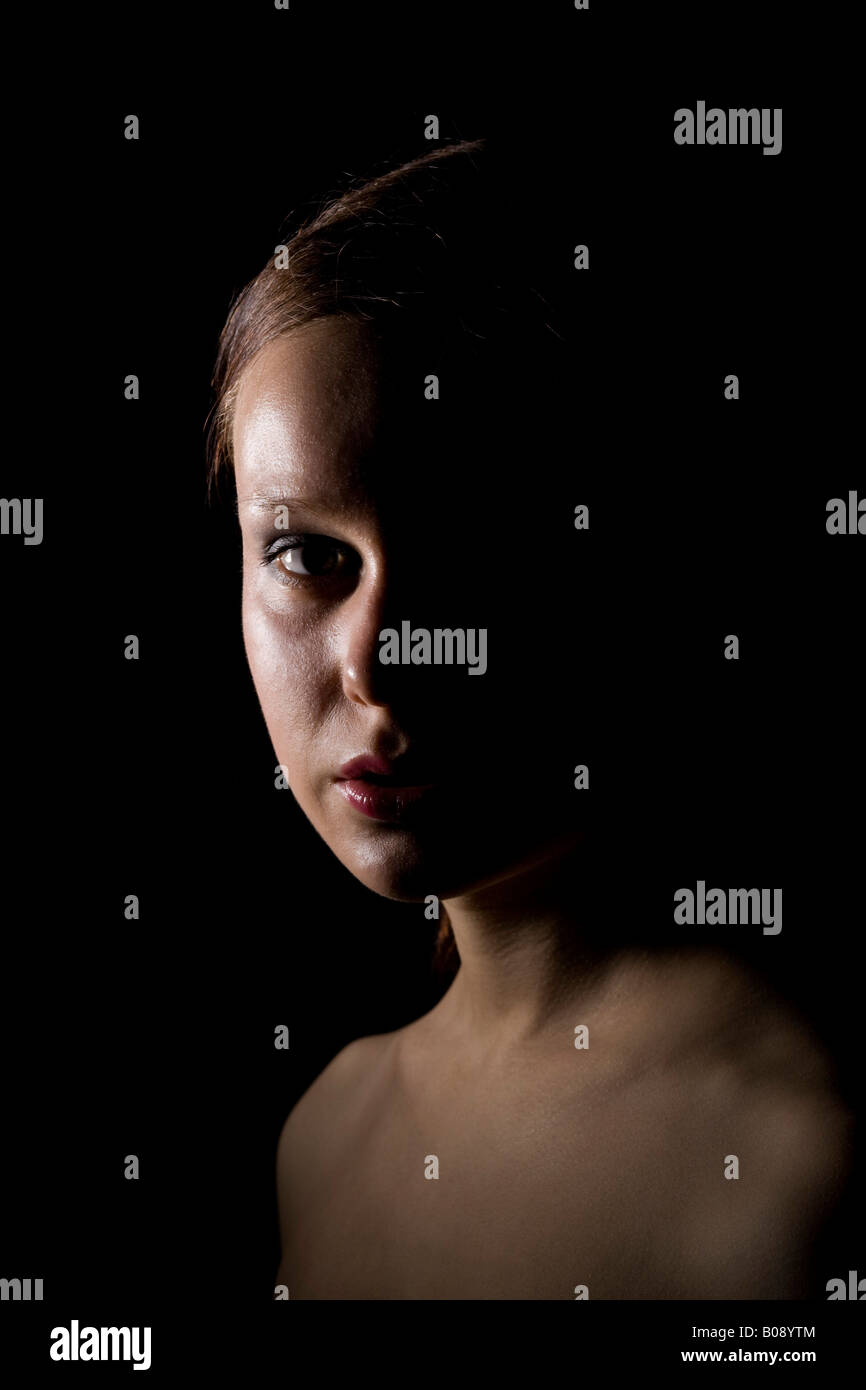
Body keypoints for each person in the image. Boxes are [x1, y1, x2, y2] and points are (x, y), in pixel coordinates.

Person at [208, 140, 851, 1299]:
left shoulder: (793, 1163)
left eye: (467, 548)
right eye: (307, 555)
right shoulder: (321, 1137)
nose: (375, 655)